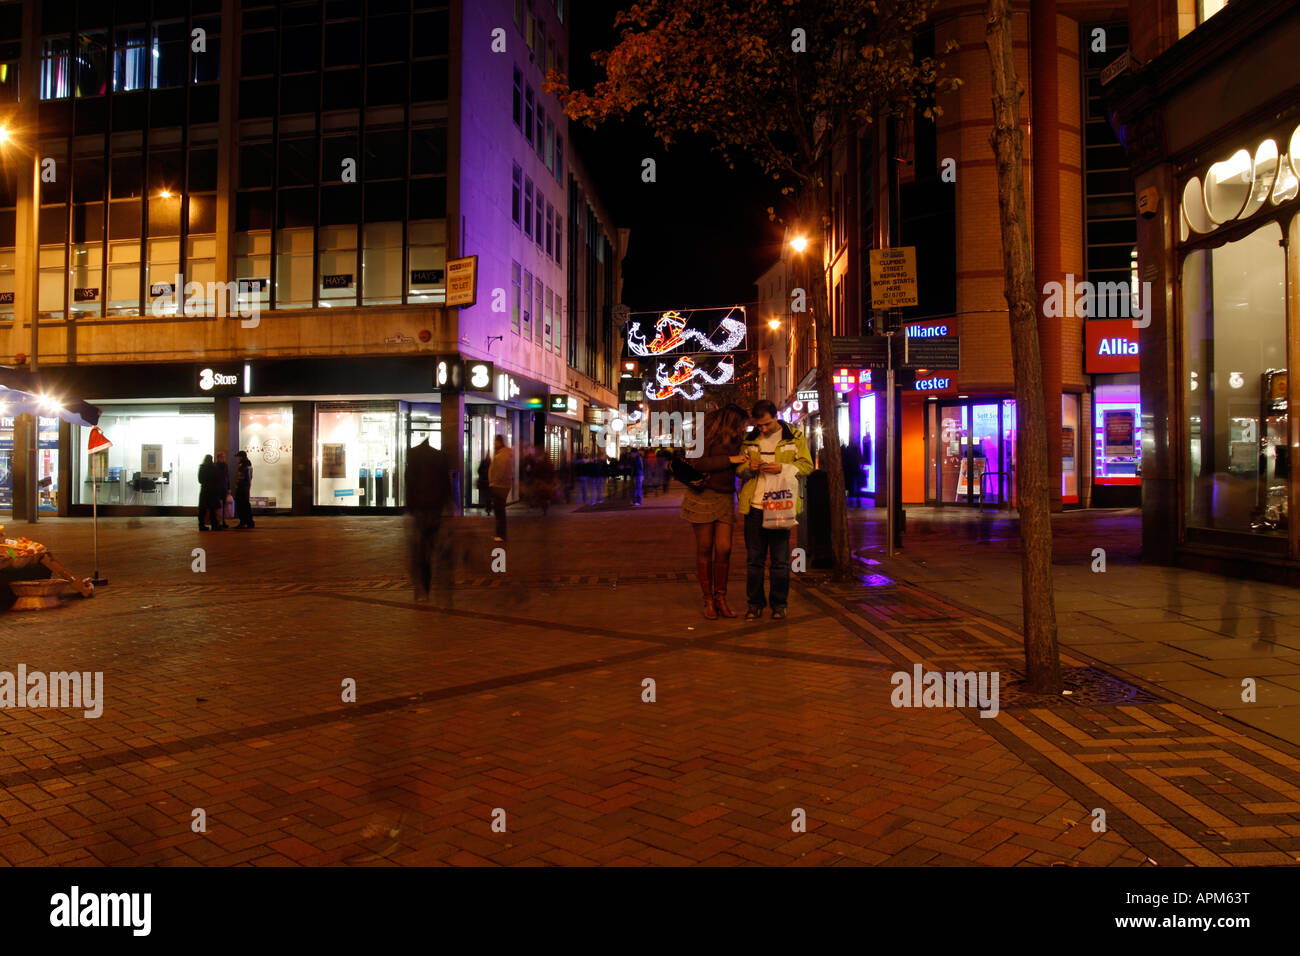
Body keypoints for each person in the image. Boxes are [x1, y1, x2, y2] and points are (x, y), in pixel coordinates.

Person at [737, 400, 814, 620]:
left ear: (776, 416)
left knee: (780, 560)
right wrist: (748, 468)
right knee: (754, 560)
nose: (763, 429)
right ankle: (754, 604)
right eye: (759, 425)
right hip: (754, 506)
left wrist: (783, 468)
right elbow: (739, 470)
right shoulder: (749, 439)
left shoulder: (794, 437)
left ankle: (779, 604)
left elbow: (807, 466)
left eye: (767, 424)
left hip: (780, 505)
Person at [679, 403, 749, 619]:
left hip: (726, 497)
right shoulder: (704, 433)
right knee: (705, 547)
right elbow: (696, 462)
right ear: (731, 422)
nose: (742, 429)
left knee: (724, 548)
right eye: (740, 424)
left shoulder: (738, 440)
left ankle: (721, 597)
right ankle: (709, 599)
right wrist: (729, 460)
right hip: (703, 495)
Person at [404, 437, 452, 602]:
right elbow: (446, 484)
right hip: (435, 509)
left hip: (420, 510)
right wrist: (449, 505)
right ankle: (431, 583)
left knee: (420, 548)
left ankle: (423, 588)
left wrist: (409, 506)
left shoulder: (413, 455)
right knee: (431, 545)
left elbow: (409, 482)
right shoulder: (440, 457)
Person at [488, 434, 512, 542]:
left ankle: (501, 535)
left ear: (499, 442)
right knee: (499, 511)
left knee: (499, 511)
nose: (494, 443)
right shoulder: (503, 453)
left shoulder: (502, 455)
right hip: (501, 485)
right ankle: (500, 534)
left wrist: (494, 482)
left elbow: (500, 472)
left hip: (499, 486)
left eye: (495, 441)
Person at [233, 450, 255, 529]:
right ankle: (249, 522)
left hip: (242, 489)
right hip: (245, 488)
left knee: (241, 505)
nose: (237, 459)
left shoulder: (243, 465)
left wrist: (238, 485)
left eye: (238, 457)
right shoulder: (248, 464)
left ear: (241, 457)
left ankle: (244, 521)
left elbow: (242, 477)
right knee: (246, 505)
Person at [197, 454, 217, 531]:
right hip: (212, 491)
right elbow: (216, 479)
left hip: (204, 490)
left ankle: (201, 525)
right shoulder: (214, 468)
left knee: (202, 509)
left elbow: (200, 480)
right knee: (212, 508)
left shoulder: (202, 467)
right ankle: (214, 524)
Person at [212, 450, 231, 529]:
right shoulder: (215, 466)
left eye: (224, 457)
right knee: (218, 506)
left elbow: (227, 477)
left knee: (224, 506)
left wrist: (228, 488)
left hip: (224, 488)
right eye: (223, 457)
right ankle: (218, 522)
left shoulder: (225, 466)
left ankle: (222, 521)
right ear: (218, 458)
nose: (224, 458)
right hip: (218, 489)